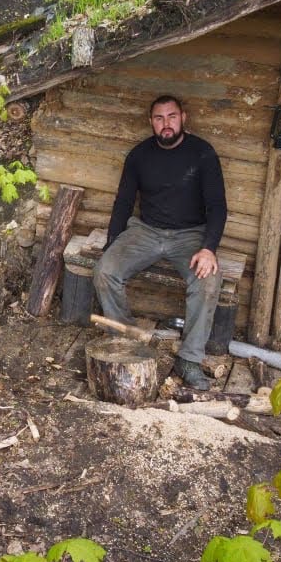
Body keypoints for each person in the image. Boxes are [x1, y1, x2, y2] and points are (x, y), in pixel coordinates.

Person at [93, 95, 227, 390]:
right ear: (150, 121)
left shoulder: (202, 153)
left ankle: (189, 360)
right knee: (105, 271)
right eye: (159, 118)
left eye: (172, 117)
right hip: (145, 231)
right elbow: (124, 201)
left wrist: (209, 248)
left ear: (184, 118)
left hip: (191, 235)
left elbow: (217, 205)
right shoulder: (139, 155)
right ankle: (126, 341)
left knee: (208, 281)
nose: (166, 124)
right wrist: (113, 243)